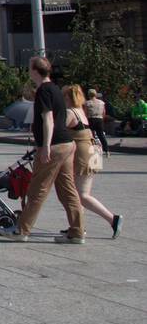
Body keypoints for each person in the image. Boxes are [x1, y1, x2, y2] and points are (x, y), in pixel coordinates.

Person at [8, 57, 84, 244]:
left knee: (37, 189)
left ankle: (21, 230)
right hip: (67, 144)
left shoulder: (43, 91)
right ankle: (77, 232)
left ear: (35, 71)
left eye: (29, 68)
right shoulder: (56, 89)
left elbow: (48, 119)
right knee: (68, 190)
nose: (28, 71)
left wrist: (45, 147)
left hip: (55, 146)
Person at [65, 85, 121, 238]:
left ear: (68, 98)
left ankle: (113, 219)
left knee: (81, 195)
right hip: (93, 153)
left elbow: (58, 132)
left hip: (84, 155)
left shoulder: (70, 112)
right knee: (79, 194)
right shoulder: (81, 112)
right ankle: (77, 226)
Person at [84, 89, 110, 156]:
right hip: (99, 119)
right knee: (101, 135)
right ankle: (107, 151)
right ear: (95, 94)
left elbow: (85, 113)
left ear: (88, 95)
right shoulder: (101, 102)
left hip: (91, 119)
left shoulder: (87, 103)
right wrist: (102, 118)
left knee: (91, 136)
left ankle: (92, 151)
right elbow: (104, 112)